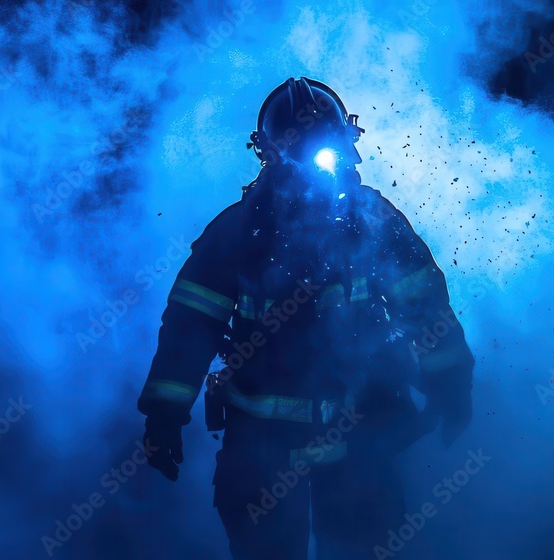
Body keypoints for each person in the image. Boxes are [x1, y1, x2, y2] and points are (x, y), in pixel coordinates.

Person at [137, 77, 474, 559]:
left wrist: (451, 383)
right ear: (270, 154)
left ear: (346, 143)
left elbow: (426, 308)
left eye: (327, 148)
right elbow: (191, 324)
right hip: (261, 449)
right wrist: (165, 413)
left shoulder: (376, 224)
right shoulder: (238, 232)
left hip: (361, 433)